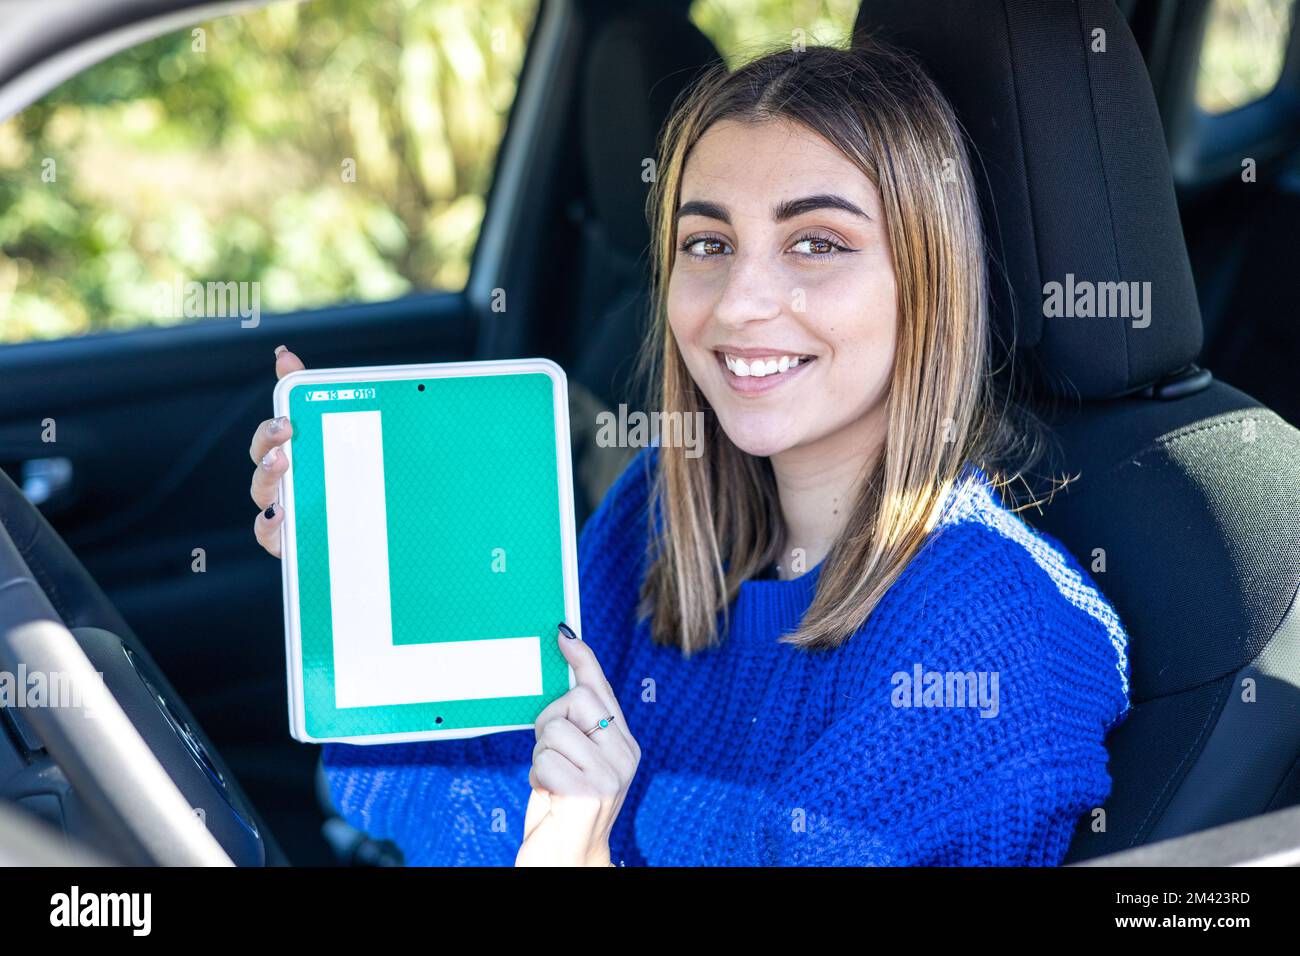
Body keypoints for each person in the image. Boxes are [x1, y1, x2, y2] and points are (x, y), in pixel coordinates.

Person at [246, 38, 1130, 866]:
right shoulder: (657, 511)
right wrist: (351, 588)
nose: (739, 301)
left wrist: (594, 835)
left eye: (816, 243)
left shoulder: (999, 633)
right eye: (708, 244)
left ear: (930, 280)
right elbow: (409, 779)